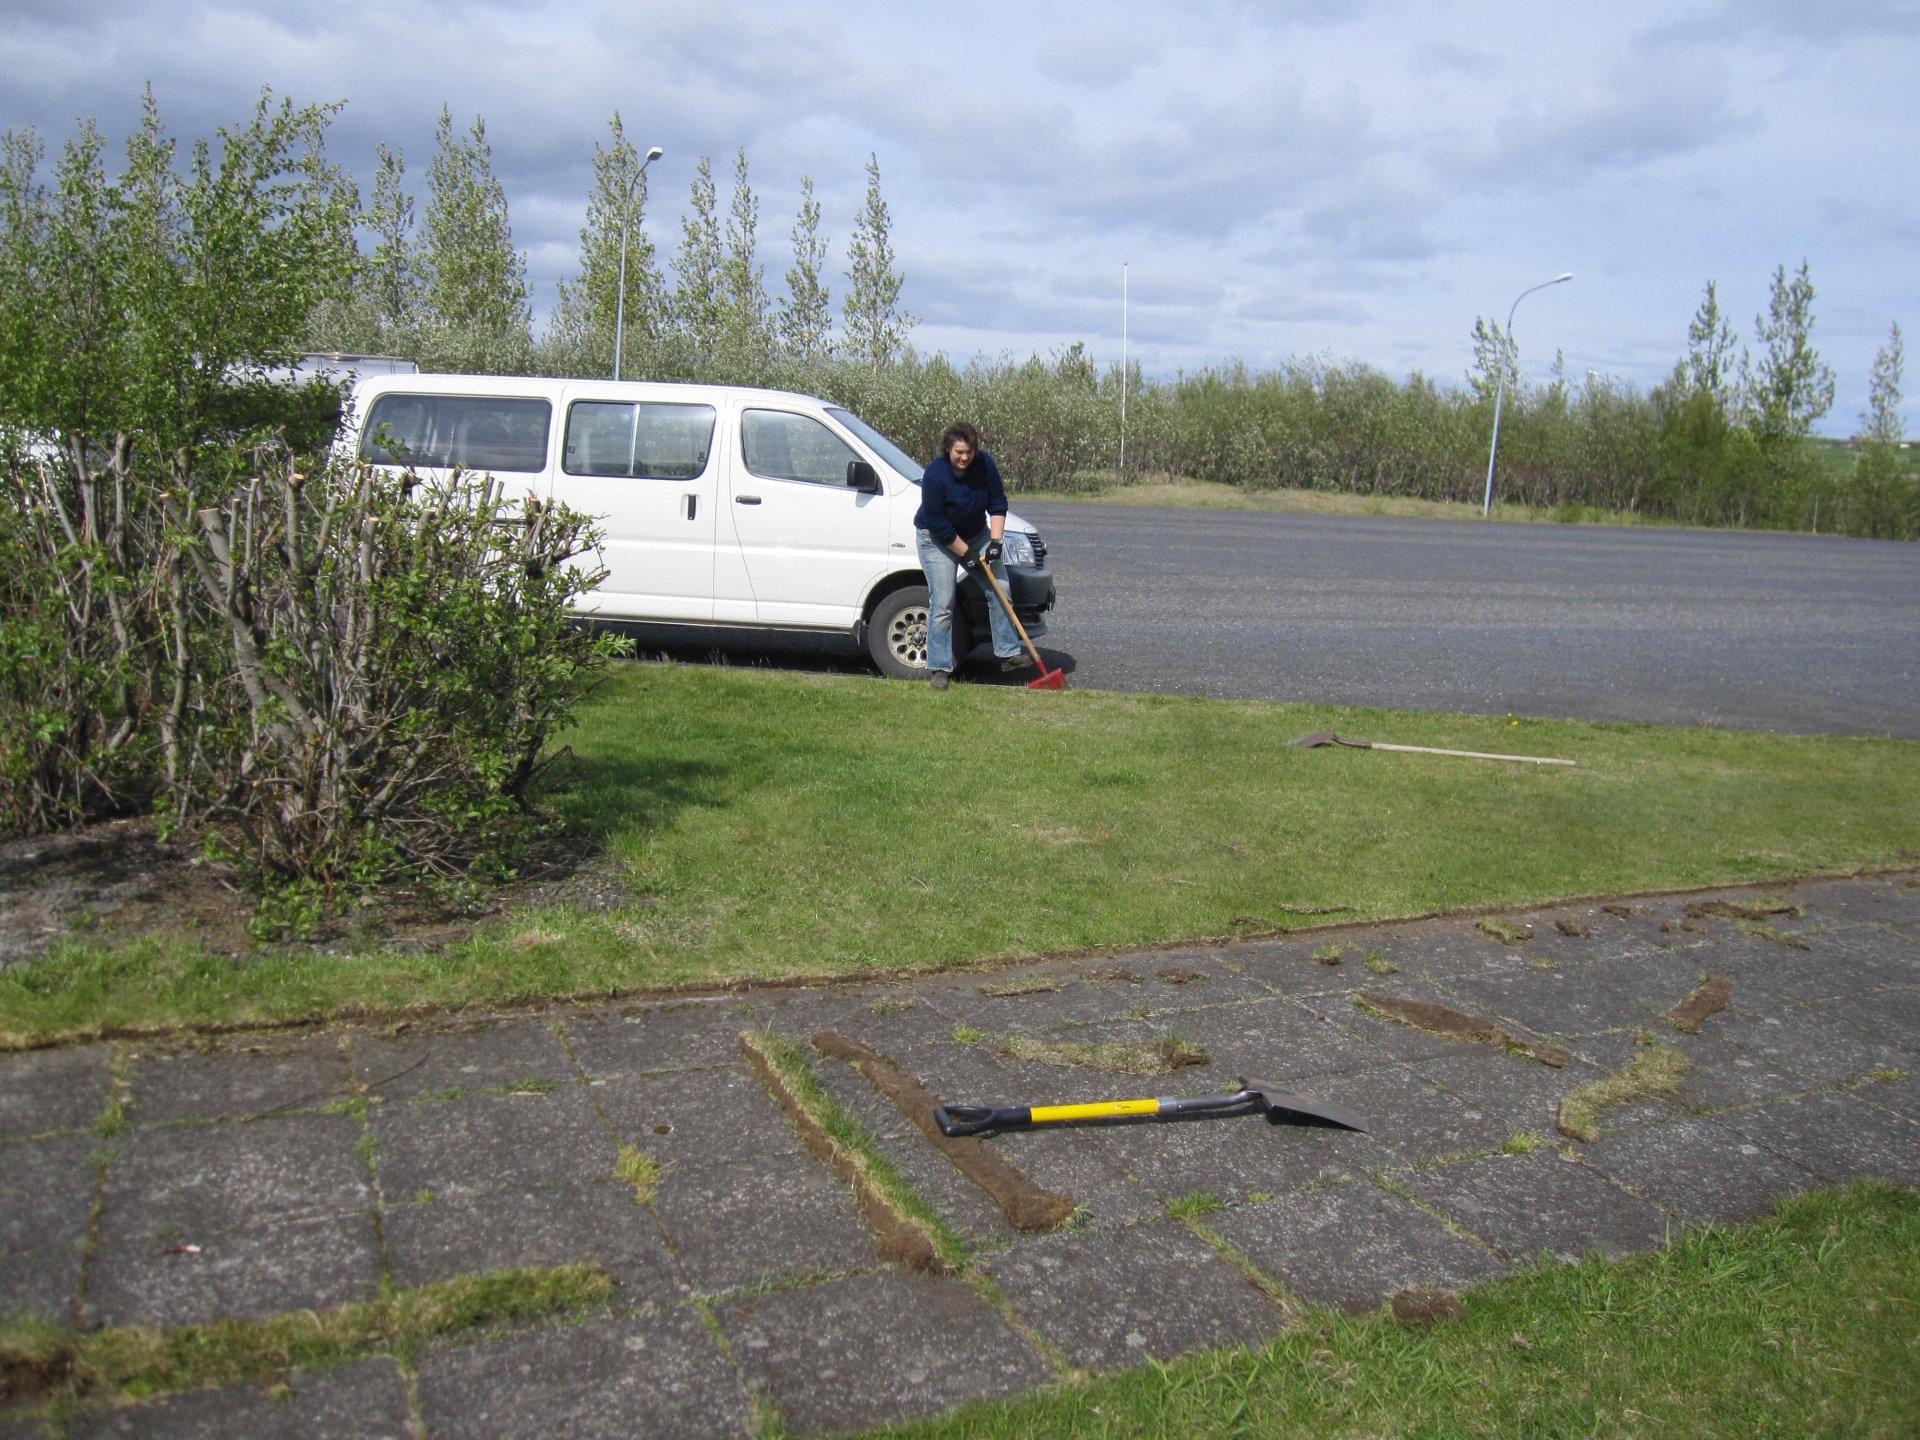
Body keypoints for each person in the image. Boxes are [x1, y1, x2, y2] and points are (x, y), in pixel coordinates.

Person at [913, 422, 1024, 689]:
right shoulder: (935, 474)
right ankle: (939, 669)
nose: (964, 457)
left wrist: (995, 542)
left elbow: (998, 503)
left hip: (976, 534)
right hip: (936, 538)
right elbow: (938, 524)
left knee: (1001, 588)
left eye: (969, 452)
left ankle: (1009, 653)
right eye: (959, 452)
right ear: (948, 450)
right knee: (943, 602)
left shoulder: (985, 465)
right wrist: (968, 555)